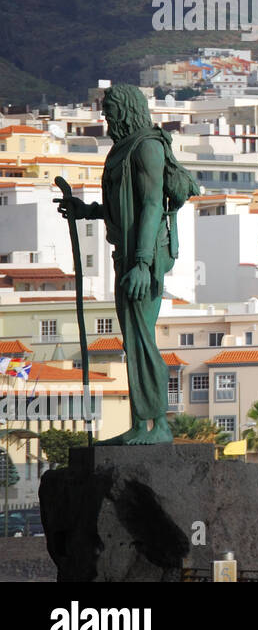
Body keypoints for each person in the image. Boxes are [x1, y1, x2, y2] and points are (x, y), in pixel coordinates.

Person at [56, 84, 199, 443]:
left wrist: (141, 263)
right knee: (133, 340)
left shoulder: (147, 147)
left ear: (126, 110)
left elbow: (152, 205)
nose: (106, 118)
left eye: (111, 110)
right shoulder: (122, 150)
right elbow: (125, 209)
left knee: (141, 337)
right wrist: (86, 211)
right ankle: (140, 425)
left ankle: (159, 426)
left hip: (145, 258)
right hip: (128, 253)